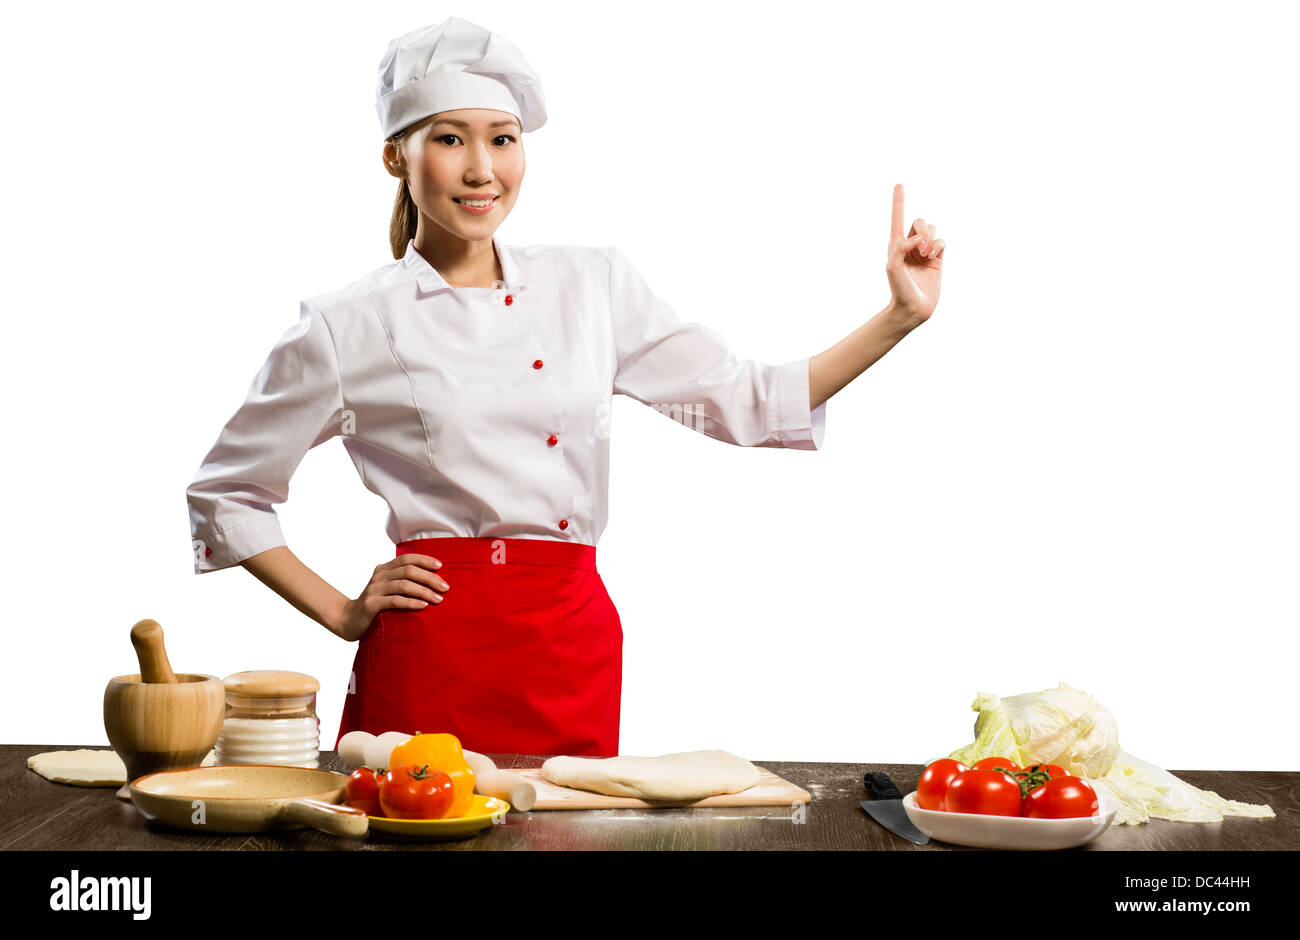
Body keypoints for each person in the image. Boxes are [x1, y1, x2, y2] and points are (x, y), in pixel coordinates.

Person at [186, 16, 945, 758]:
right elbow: (227, 491)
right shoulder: (345, 324)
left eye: (503, 139)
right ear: (396, 156)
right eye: (450, 138)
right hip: (433, 649)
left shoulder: (592, 285)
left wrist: (899, 317)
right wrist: (344, 614)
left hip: (569, 643)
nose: (483, 168)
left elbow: (745, 400)